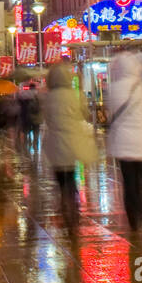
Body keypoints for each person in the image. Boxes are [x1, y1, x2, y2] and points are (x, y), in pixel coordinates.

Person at [106, 45, 142, 233]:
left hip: (122, 144)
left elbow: (110, 113)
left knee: (128, 181)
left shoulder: (113, 90)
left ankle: (133, 218)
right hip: (141, 142)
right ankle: (140, 210)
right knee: (140, 179)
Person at [42, 61, 97, 230]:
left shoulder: (47, 97)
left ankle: (65, 204)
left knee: (61, 178)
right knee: (71, 175)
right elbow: (85, 115)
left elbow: (44, 118)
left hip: (55, 141)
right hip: (72, 139)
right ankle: (72, 208)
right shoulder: (76, 95)